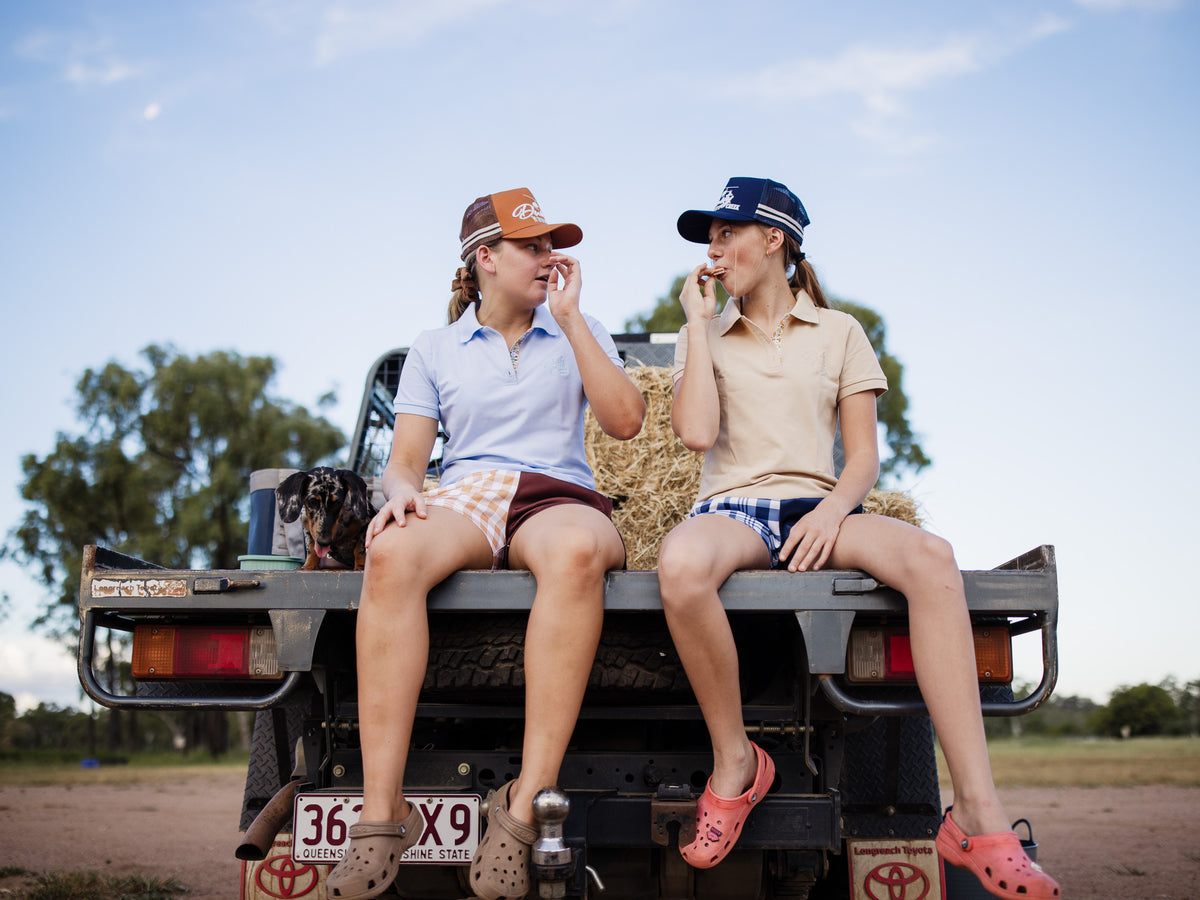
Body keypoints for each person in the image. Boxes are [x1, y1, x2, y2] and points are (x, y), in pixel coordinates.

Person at [657, 177, 1060, 900]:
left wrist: (833, 511)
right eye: (709, 240)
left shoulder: (840, 332)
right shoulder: (706, 333)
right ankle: (735, 764)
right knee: (681, 564)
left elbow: (863, 456)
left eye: (725, 234)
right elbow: (694, 434)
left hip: (820, 502)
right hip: (734, 508)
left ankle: (975, 811)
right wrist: (695, 322)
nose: (713, 251)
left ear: (773, 238)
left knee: (932, 559)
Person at [325, 188, 645, 900]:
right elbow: (408, 458)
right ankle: (381, 817)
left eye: (551, 244)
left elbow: (626, 422)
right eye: (532, 246)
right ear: (485, 258)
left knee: (578, 554)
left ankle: (526, 802)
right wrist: (402, 489)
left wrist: (571, 321)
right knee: (393, 554)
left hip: (557, 490)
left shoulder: (577, 325)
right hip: (466, 491)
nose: (549, 258)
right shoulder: (434, 349)